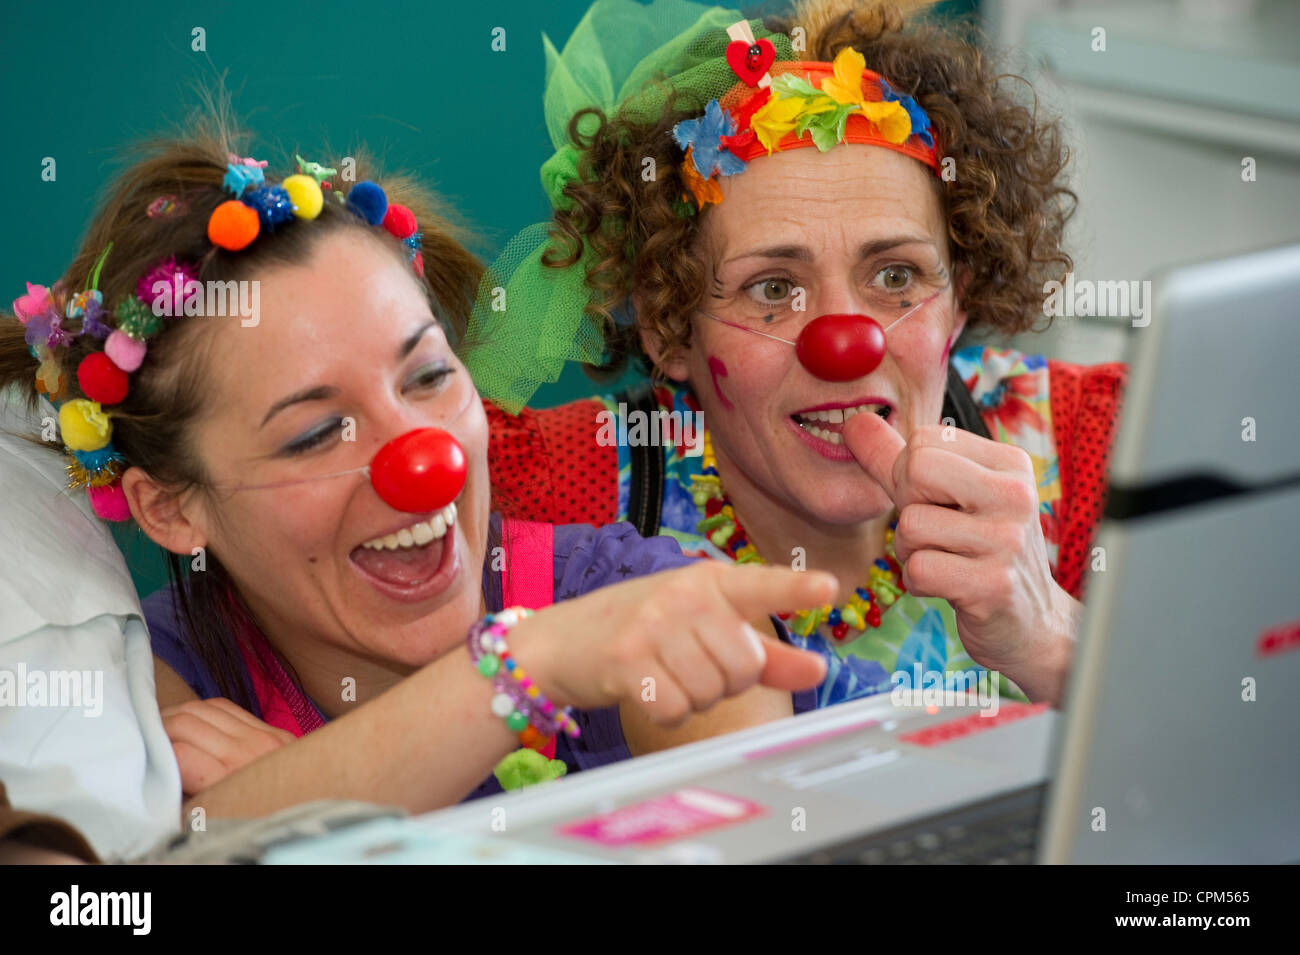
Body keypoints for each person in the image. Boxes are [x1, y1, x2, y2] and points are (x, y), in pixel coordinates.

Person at [0, 113, 836, 822]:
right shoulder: (146, 689)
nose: (421, 461)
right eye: (318, 432)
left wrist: (302, 811)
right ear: (171, 509)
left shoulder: (651, 608)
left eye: (430, 376)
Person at [470, 0, 1126, 709]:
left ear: (960, 296)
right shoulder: (561, 495)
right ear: (669, 326)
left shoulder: (1090, 445)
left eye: (896, 276)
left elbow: (1236, 762)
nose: (844, 344)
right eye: (774, 288)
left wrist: (1051, 636)